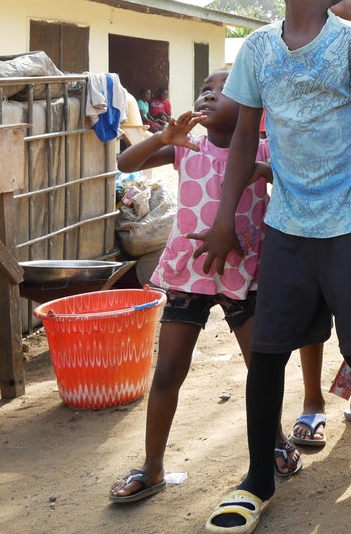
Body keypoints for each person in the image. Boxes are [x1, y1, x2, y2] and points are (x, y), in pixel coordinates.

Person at [194, 0, 351, 531]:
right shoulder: (260, 50)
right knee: (267, 350)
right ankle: (257, 478)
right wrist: (221, 220)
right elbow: (244, 135)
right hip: (290, 223)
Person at [108, 70, 291, 505]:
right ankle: (152, 466)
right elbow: (125, 165)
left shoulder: (264, 149)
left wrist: (263, 168)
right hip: (189, 273)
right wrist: (162, 138)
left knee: (259, 370)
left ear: (252, 104)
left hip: (243, 272)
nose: (207, 94)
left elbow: (291, 182)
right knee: (169, 369)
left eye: (221, 89)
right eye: (203, 88)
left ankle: (276, 439)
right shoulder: (187, 145)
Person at [291, 0, 351, 451]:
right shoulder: (288, 61)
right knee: (311, 315)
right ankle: (312, 401)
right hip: (304, 212)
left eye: (341, 14)